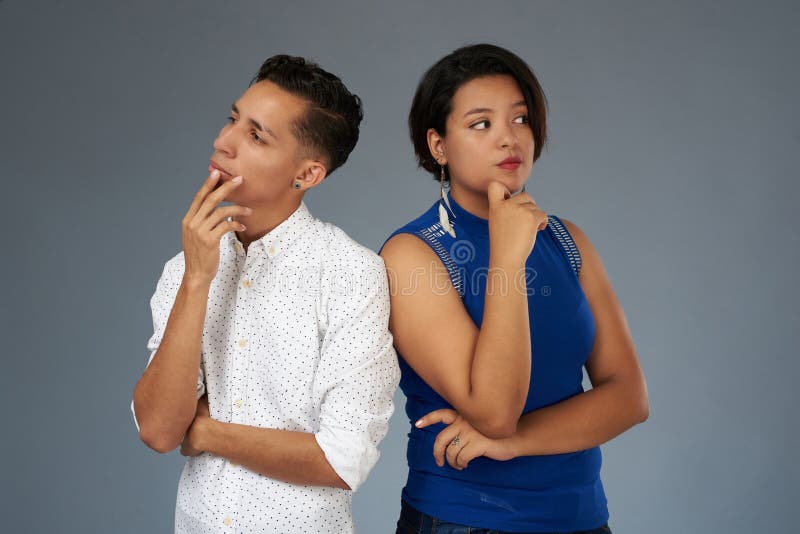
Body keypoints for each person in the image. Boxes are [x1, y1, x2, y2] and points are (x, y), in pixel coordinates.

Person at [380, 43, 649, 534]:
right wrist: (506, 256)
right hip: (463, 521)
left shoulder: (568, 240)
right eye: (481, 124)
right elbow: (495, 411)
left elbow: (629, 397)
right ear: (438, 145)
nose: (508, 138)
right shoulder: (411, 254)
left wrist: (516, 442)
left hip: (584, 520)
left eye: (520, 119)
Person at [131, 54, 400, 533]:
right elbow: (156, 429)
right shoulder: (186, 267)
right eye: (233, 119)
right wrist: (197, 280)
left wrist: (207, 431)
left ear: (308, 175)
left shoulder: (350, 273)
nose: (223, 143)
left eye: (256, 135)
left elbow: (342, 460)